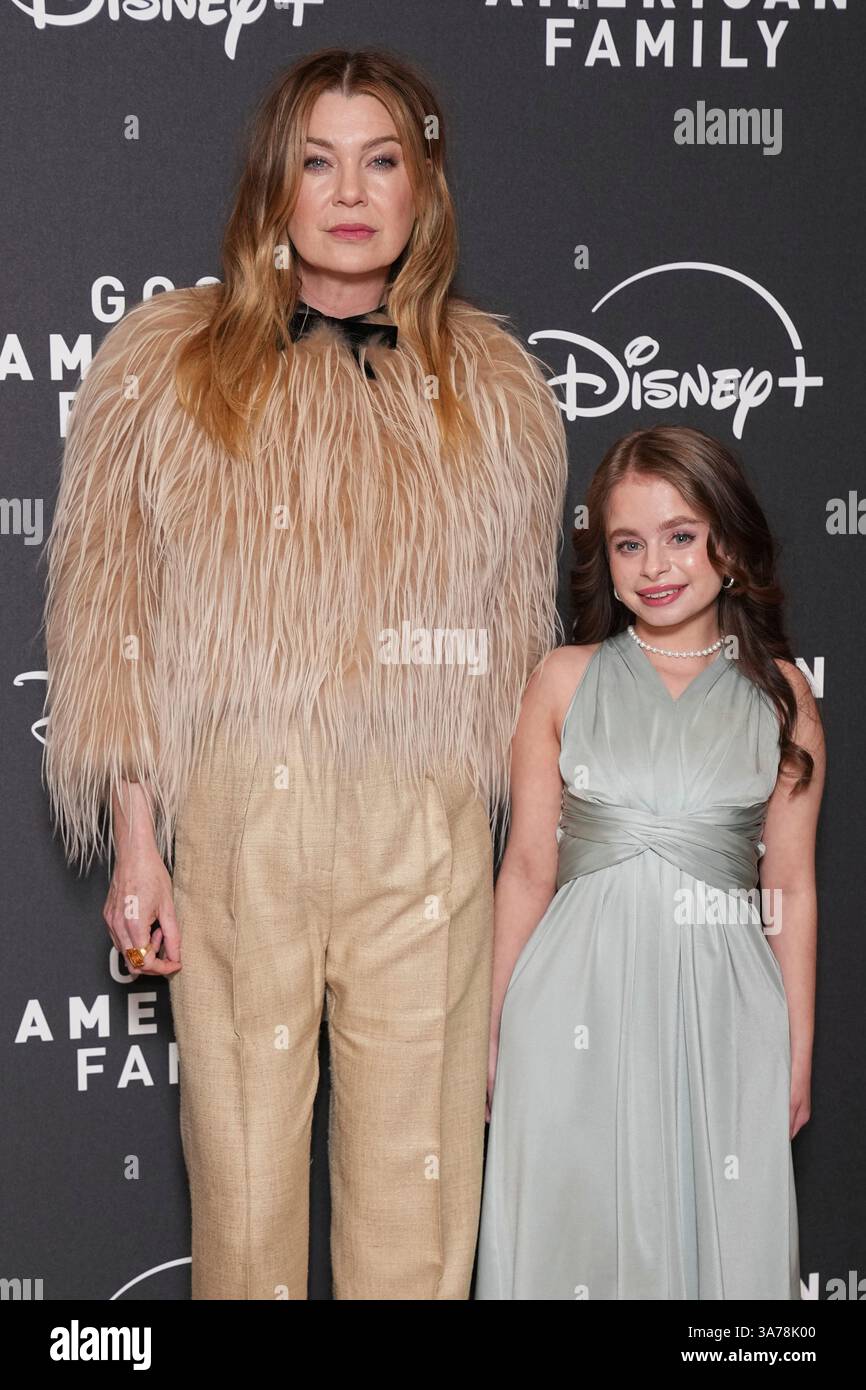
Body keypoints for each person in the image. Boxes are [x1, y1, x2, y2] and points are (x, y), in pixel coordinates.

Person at [39, 48, 569, 1300]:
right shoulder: (162, 369)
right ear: (273, 187)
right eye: (316, 161)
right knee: (241, 1206)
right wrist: (137, 841)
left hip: (421, 827)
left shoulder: (494, 392)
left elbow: (511, 668)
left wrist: (510, 882)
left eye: (381, 159)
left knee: (416, 1212)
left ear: (421, 188)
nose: (348, 191)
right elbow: (115, 622)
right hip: (236, 817)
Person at [475, 424, 823, 1300]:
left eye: (680, 535)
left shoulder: (782, 693)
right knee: (570, 1231)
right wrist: (489, 1029)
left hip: (723, 1004)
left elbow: (787, 884)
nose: (655, 565)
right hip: (570, 1001)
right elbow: (524, 868)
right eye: (630, 543)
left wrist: (796, 1046)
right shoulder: (563, 675)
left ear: (728, 545)